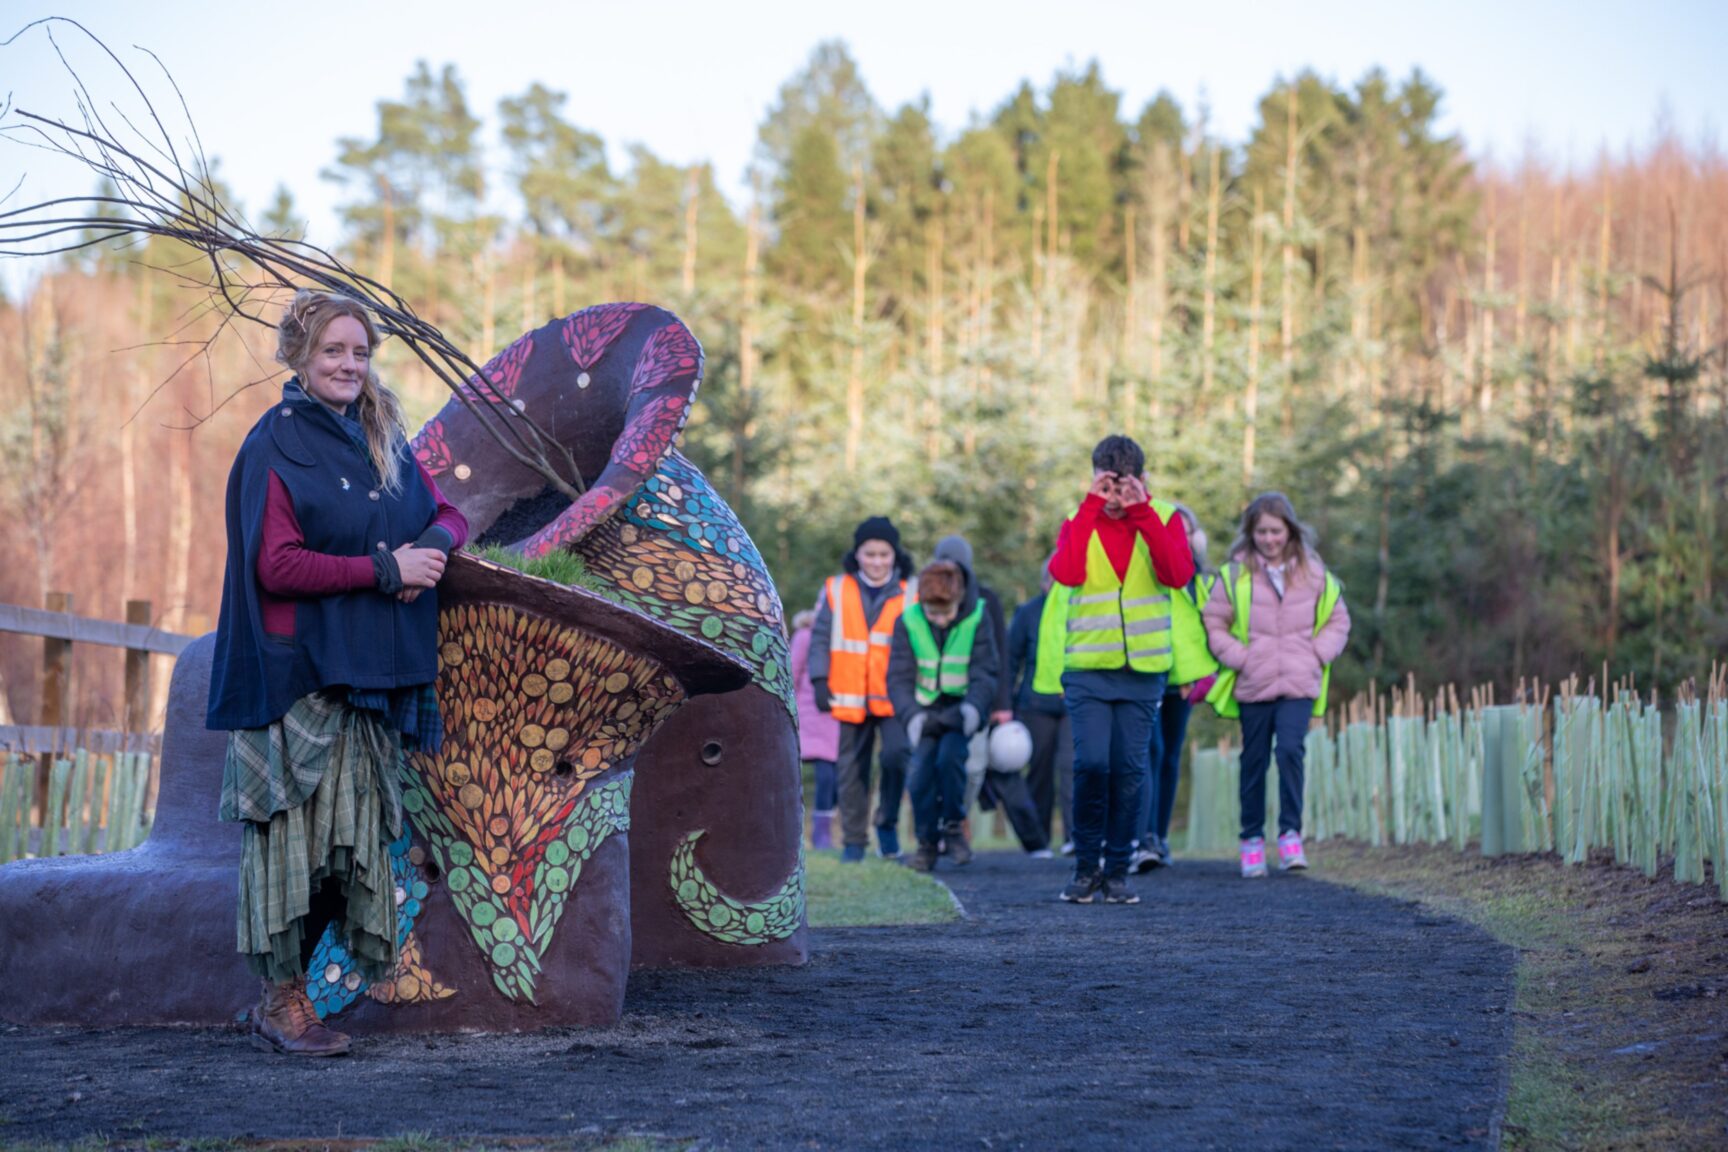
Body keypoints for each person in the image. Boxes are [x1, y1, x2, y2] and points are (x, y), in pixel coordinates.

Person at [208, 289, 468, 1056]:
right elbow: (277, 564)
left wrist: (437, 549)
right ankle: (281, 1004)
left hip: (366, 674)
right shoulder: (275, 444)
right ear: (299, 356)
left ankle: (311, 996)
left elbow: (447, 513)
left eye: (360, 352)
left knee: (350, 843)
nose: (349, 365)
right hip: (298, 677)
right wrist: (388, 567)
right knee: (288, 845)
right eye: (333, 351)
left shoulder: (380, 436)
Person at [1048, 436, 1195, 904]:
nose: (1114, 497)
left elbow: (1176, 574)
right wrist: (1092, 506)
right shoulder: (1079, 518)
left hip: (1143, 670)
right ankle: (1085, 866)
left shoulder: (1165, 517)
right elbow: (1066, 573)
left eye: (1122, 486)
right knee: (1091, 763)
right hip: (1088, 667)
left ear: (1142, 480)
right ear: (1094, 480)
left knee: (1130, 769)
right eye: (1106, 485)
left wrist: (1142, 511)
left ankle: (1117, 871)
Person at [1203, 492, 1350, 878]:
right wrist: (1240, 657)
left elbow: (1339, 619)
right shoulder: (1234, 574)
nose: (1269, 539)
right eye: (1261, 532)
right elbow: (1213, 622)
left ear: (1290, 530)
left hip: (1300, 681)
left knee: (1289, 751)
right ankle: (1251, 840)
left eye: (1276, 531)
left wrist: (1318, 653)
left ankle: (1290, 836)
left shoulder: (1314, 572)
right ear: (1250, 533)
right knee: (1253, 761)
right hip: (1254, 683)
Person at [931, 535, 1048, 856]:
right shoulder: (925, 599)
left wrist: (1002, 704)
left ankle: (962, 820)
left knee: (978, 768)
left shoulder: (986, 601)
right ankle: (945, 829)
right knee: (937, 767)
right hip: (937, 702)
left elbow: (1001, 655)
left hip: (980, 700)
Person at [808, 516, 916, 861]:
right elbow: (821, 636)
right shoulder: (836, 588)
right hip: (849, 693)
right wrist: (819, 680)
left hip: (897, 694)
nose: (877, 561)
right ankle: (854, 842)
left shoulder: (910, 591)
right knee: (852, 769)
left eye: (884, 554)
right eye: (870, 554)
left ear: (894, 555)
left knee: (896, 756)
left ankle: (886, 823)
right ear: (857, 554)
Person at [887, 560, 999, 872]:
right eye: (932, 612)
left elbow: (985, 671)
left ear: (959, 600)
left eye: (945, 612)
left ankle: (953, 827)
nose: (938, 620)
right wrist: (911, 715)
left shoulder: (978, 615)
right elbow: (898, 676)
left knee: (950, 762)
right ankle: (926, 842)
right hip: (924, 712)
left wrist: (973, 709)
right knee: (920, 773)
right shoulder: (908, 621)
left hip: (959, 710)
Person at [1131, 505, 1219, 873]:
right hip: (1147, 673)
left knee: (1169, 757)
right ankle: (1145, 836)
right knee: (1151, 750)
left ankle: (1161, 836)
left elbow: (1208, 634)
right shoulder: (1146, 573)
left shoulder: (1203, 583)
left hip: (1182, 683)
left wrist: (1201, 679)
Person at [1008, 560, 1075, 852]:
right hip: (1034, 704)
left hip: (1074, 702)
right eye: (1052, 580)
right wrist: (1005, 706)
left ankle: (1075, 838)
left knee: (1072, 768)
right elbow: (1011, 660)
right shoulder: (1027, 613)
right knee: (1038, 771)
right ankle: (1038, 841)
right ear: (1043, 582)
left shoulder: (1082, 609)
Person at [790, 608, 841, 850]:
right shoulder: (805, 636)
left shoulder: (845, 637)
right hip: (810, 713)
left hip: (838, 715)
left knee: (836, 778)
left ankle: (824, 827)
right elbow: (792, 671)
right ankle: (810, 832)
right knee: (821, 775)